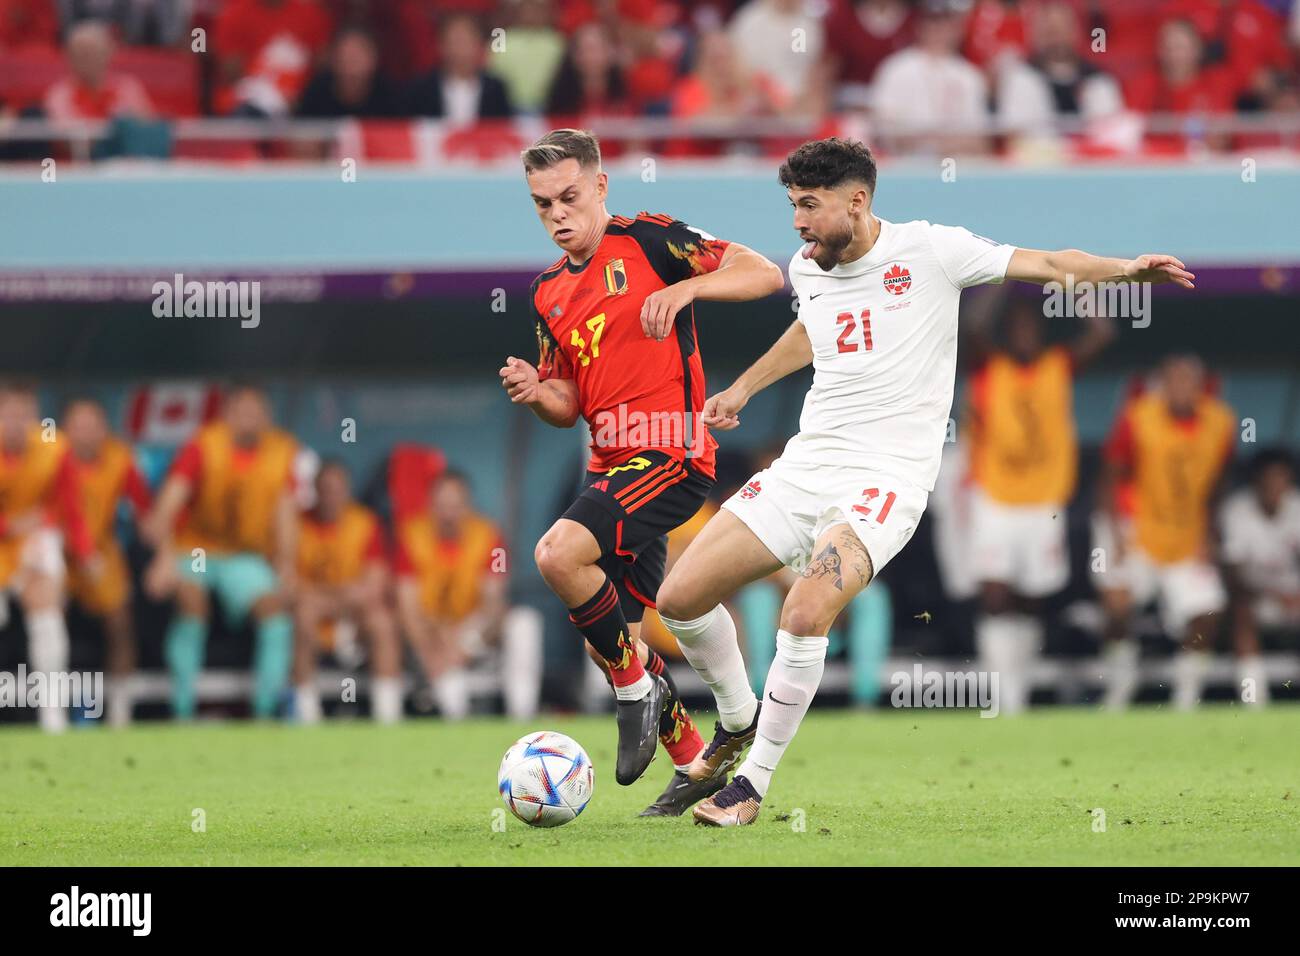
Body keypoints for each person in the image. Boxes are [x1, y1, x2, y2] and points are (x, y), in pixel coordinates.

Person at [653, 136, 1196, 826]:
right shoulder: (809, 265)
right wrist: (744, 389)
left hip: (885, 481)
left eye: (809, 206)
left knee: (804, 610)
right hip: (807, 463)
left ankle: (751, 784)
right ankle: (736, 722)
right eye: (793, 205)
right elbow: (813, 332)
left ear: (858, 201)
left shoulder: (933, 251)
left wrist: (1127, 272)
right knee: (679, 597)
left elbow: (1049, 263)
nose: (797, 221)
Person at [500, 128, 784, 816]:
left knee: (556, 555)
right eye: (543, 204)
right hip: (610, 466)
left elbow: (766, 273)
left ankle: (637, 694)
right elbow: (570, 403)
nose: (558, 214)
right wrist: (540, 394)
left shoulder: (653, 240)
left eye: (569, 196)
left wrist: (690, 292)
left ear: (600, 186)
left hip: (672, 454)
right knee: (614, 637)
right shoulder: (547, 295)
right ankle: (692, 761)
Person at [962, 294, 1114, 714]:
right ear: (1007, 335)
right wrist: (1003, 285)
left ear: (1042, 334)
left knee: (1032, 596)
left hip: (1044, 500)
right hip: (995, 496)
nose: (1024, 335)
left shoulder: (1057, 366)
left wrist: (1074, 290)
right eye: (1017, 329)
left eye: (1031, 328)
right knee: (995, 591)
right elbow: (972, 328)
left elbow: (1103, 333)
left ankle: (1020, 689)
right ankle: (1001, 695)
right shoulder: (990, 367)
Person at [140, 385, 300, 719]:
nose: (250, 419)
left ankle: (265, 711)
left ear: (267, 417)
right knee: (192, 603)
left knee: (276, 613)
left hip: (243, 556)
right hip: (196, 550)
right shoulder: (203, 446)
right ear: (227, 414)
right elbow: (165, 509)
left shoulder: (282, 451)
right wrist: (164, 558)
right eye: (242, 411)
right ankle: (182, 708)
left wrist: (287, 564)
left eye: (257, 412)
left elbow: (285, 514)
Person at [1093, 356, 1234, 709]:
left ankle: (1185, 695)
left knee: (1209, 613)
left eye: (1189, 381)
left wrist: (1210, 533)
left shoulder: (1221, 422)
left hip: (1187, 537)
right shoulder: (1139, 416)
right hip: (1138, 531)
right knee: (1116, 605)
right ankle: (1119, 685)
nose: (1181, 388)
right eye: (1173, 381)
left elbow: (1219, 483)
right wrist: (1114, 535)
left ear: (1201, 388)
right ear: (1162, 386)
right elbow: (1109, 475)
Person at [394, 470, 542, 722]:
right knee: (446, 673)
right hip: (431, 631)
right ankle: (455, 726)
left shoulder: (489, 536)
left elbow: (494, 602)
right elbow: (407, 606)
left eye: (456, 505)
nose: (449, 513)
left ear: (467, 505)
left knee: (525, 622)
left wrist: (466, 643)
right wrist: (431, 650)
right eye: (442, 505)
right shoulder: (411, 536)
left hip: (475, 629)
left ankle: (522, 717)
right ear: (431, 505)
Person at [0, 383, 92, 732]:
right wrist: (10, 524)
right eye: (8, 413)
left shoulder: (54, 447)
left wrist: (84, 553)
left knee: (48, 610)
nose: (15, 422)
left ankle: (52, 713)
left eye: (24, 414)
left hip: (33, 542)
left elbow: (70, 507)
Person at [62, 397, 153, 727]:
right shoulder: (52, 455)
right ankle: (52, 707)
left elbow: (145, 510)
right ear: (65, 429)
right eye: (78, 425)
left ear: (105, 429)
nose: (86, 433)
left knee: (120, 620)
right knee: (50, 620)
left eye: (93, 425)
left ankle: (119, 706)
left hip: (101, 552)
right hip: (56, 549)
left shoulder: (120, 458)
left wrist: (170, 554)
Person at [293, 460, 404, 723]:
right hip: (314, 620)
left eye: (338, 489)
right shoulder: (297, 524)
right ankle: (305, 711)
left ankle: (388, 713)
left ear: (347, 491)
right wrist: (339, 594)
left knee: (382, 622)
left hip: (355, 619)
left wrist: (327, 597)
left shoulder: (365, 523)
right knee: (303, 613)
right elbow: (291, 587)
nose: (332, 496)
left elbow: (372, 586)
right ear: (315, 491)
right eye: (325, 489)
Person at [1220, 448, 1300, 707]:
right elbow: (1233, 576)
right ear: (1256, 480)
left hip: (1294, 596)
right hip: (1255, 596)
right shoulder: (1236, 511)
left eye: (1281, 478)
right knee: (1242, 612)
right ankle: (1255, 700)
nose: (1275, 485)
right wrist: (1273, 595)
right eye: (1269, 478)